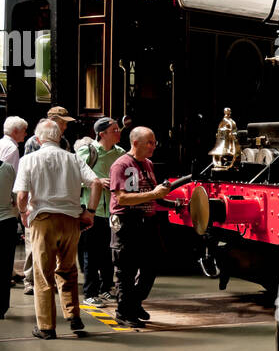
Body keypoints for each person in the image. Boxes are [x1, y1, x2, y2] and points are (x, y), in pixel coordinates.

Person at [13, 118, 106, 339]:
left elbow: (22, 195)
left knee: (43, 274)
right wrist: (90, 212)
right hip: (70, 220)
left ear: (38, 139)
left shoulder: (29, 160)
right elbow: (96, 183)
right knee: (68, 269)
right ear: (58, 138)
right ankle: (73, 316)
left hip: (43, 220)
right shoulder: (73, 159)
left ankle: (46, 327)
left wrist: (24, 213)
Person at [109, 126, 171, 327]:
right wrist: (154, 195)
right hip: (128, 222)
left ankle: (133, 303)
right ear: (135, 143)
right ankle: (124, 311)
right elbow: (123, 199)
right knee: (126, 269)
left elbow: (153, 193)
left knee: (151, 265)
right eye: (149, 142)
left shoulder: (148, 164)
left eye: (154, 142)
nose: (153, 146)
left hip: (148, 222)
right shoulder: (121, 165)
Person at [21, 106, 76, 294]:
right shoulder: (33, 142)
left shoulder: (65, 142)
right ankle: (30, 279)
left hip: (60, 203)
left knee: (56, 248)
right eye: (63, 123)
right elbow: (27, 174)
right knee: (33, 246)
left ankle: (51, 279)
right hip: (38, 203)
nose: (65, 127)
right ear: (52, 121)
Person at [76, 118, 123, 304]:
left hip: (113, 210)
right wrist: (96, 182)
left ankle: (106, 288)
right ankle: (90, 293)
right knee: (91, 253)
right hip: (92, 210)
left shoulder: (121, 153)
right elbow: (74, 176)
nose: (119, 132)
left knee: (109, 252)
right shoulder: (88, 151)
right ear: (102, 133)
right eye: (114, 129)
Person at [1, 116, 27, 290]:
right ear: (16, 131)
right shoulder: (12, 148)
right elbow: (11, 176)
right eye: (24, 130)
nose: (26, 134)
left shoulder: (2, 143)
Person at [0, 155, 16, 319]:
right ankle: (1, 307)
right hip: (6, 222)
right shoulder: (8, 169)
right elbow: (15, 196)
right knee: (5, 267)